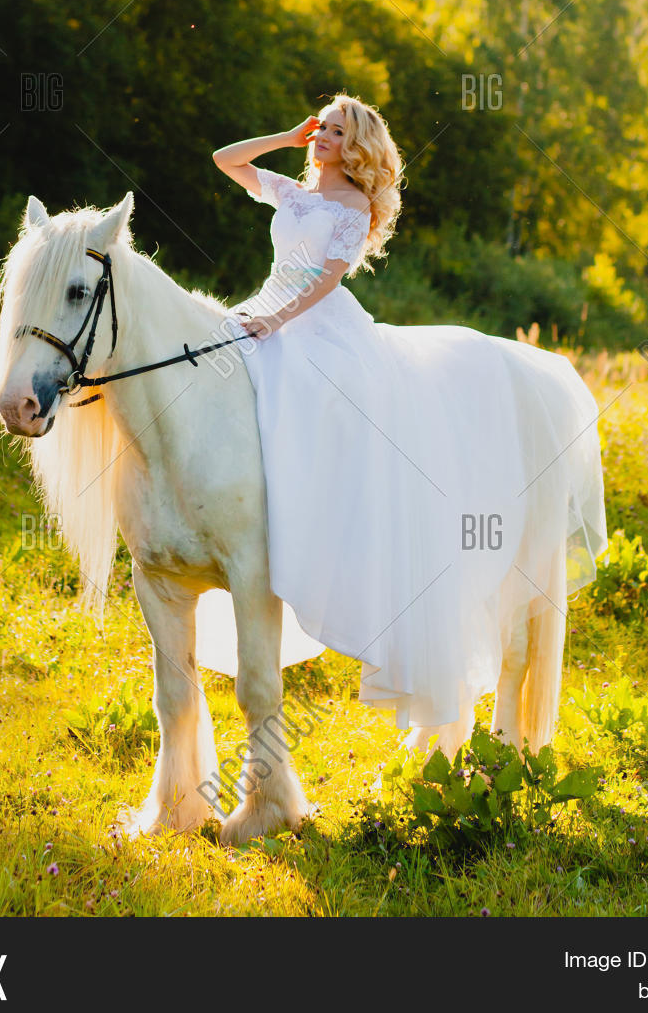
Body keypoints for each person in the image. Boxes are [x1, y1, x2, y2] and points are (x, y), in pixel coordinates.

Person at [206, 93, 606, 733]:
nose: (324, 138)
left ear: (358, 146)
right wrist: (286, 135)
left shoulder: (351, 204)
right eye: (322, 128)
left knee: (318, 401)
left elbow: (326, 280)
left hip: (314, 322)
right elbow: (225, 159)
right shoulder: (293, 192)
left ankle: (323, 517)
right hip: (263, 313)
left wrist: (277, 320)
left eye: (337, 132)